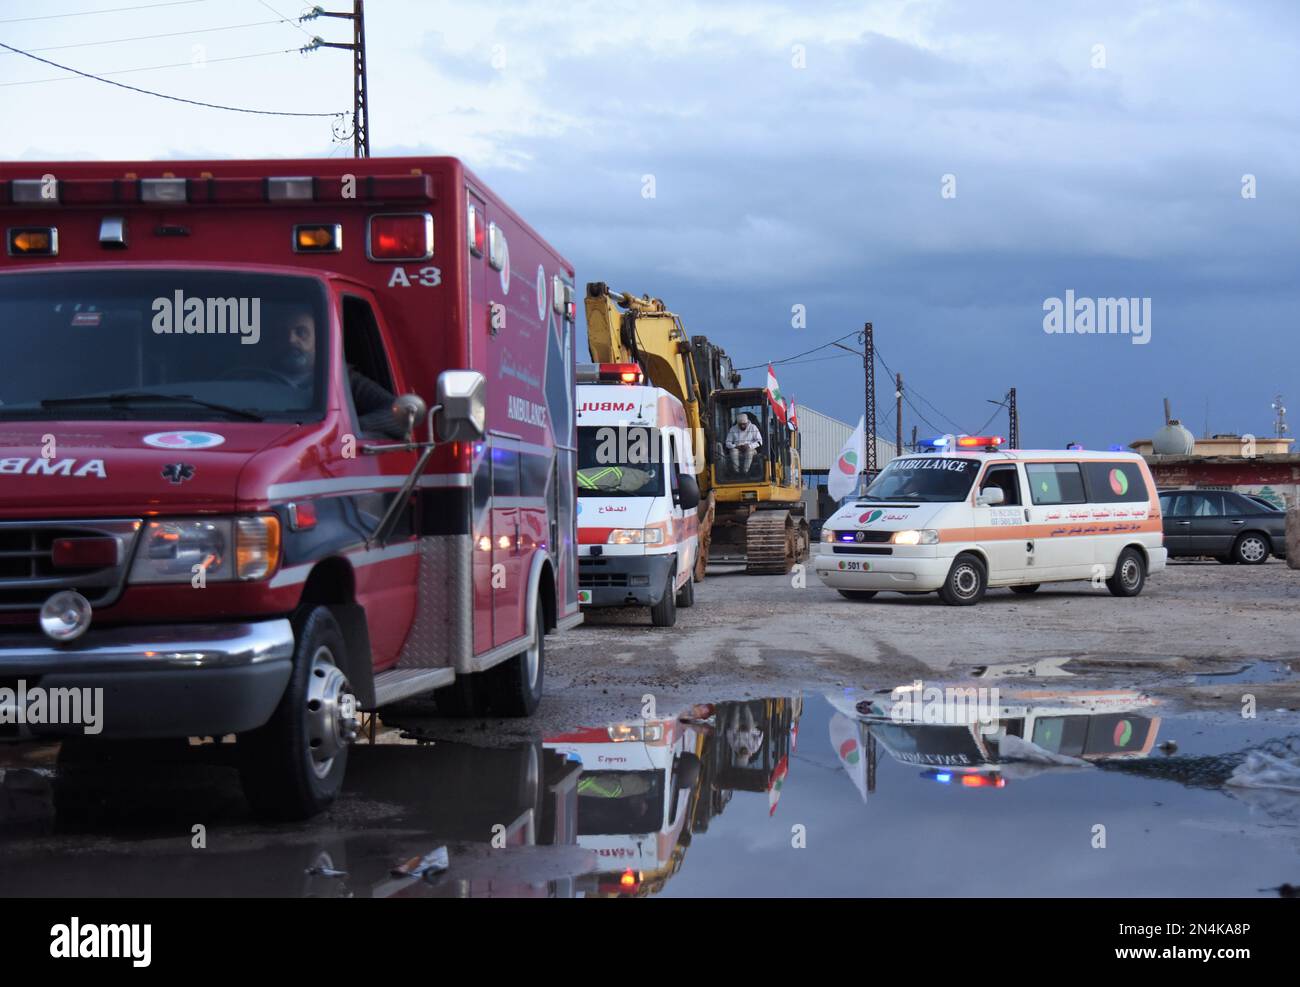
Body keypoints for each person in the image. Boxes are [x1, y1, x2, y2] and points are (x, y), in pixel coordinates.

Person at [274, 306, 405, 441]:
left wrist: (348, 428)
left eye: (301, 332)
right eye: (284, 334)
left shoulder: (344, 379)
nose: (291, 340)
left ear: (318, 338)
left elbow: (399, 414)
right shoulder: (254, 378)